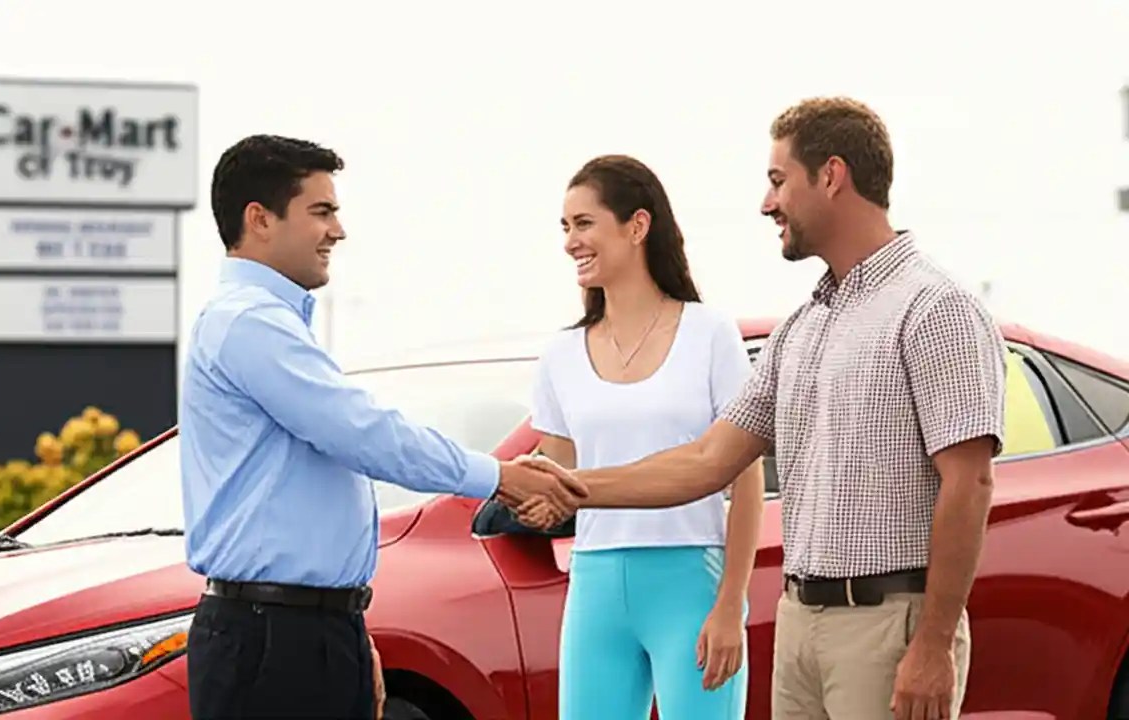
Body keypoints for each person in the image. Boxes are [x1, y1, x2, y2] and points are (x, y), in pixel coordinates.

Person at [517, 97, 1006, 720]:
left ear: (830, 177)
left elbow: (970, 481)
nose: (766, 203)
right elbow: (706, 461)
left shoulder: (933, 308)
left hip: (887, 625)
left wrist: (934, 644)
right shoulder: (799, 331)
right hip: (802, 625)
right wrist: (571, 487)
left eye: (778, 181)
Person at [178, 134, 587, 720]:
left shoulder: (266, 325)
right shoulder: (248, 324)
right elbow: (365, 433)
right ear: (259, 219)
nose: (337, 231)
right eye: (321, 211)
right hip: (274, 641)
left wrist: (343, 625)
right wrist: (499, 477)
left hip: (302, 632)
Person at [525, 154, 764, 720]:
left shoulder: (708, 333)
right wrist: (520, 500)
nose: (569, 242)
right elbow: (552, 478)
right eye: (565, 227)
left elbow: (746, 480)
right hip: (595, 584)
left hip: (691, 583)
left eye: (584, 224)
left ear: (637, 226)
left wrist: (732, 604)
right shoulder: (559, 354)